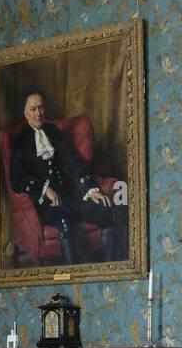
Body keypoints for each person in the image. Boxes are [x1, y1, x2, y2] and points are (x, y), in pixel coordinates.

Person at [7, 92, 118, 264]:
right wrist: (45, 189)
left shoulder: (53, 132)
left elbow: (73, 162)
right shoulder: (21, 141)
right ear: (26, 114)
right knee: (65, 222)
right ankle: (72, 278)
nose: (38, 113)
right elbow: (17, 178)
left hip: (72, 196)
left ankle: (111, 270)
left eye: (41, 107)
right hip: (46, 204)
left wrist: (91, 189)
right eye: (33, 109)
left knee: (106, 213)